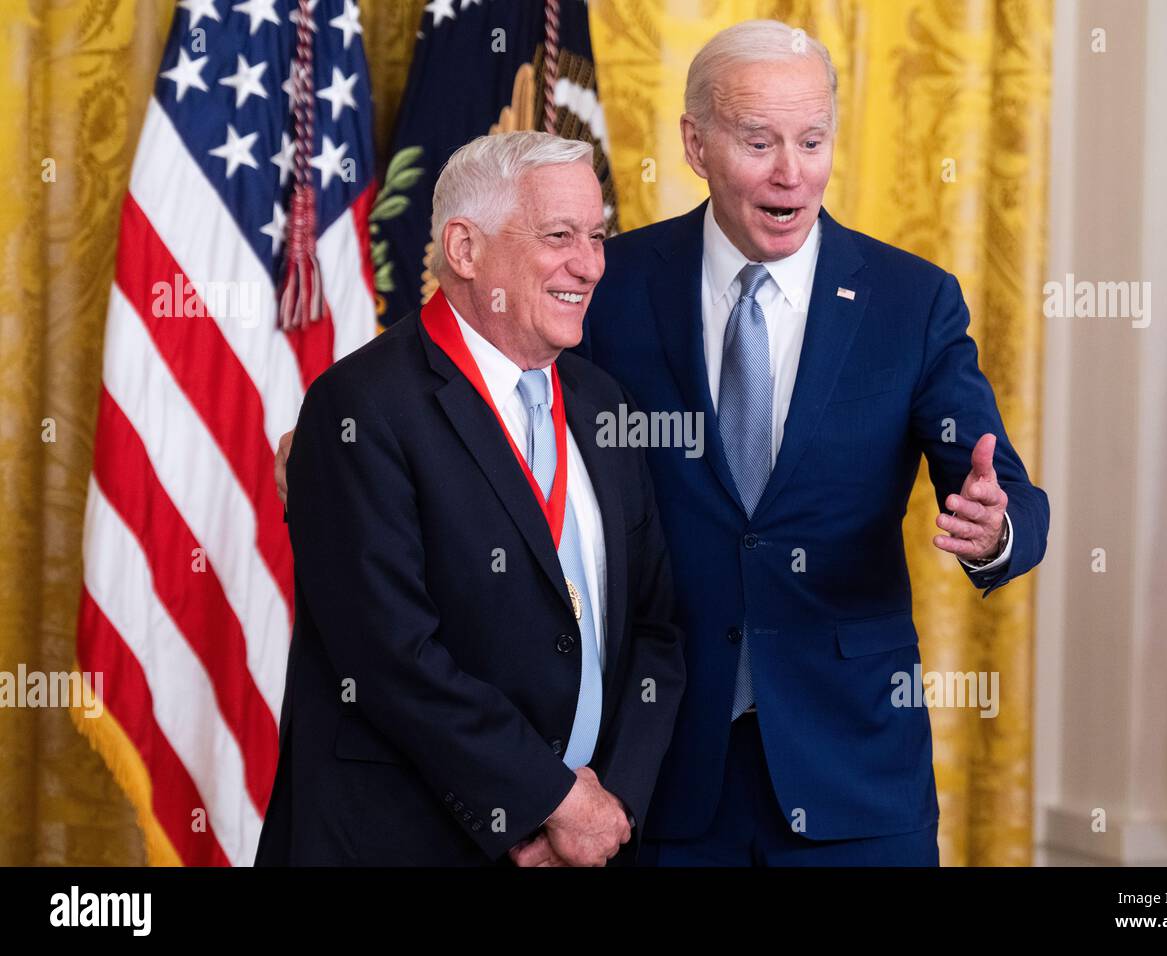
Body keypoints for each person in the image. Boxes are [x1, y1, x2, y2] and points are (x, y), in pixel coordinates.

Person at [275, 20, 1049, 867]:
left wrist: (996, 530)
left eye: (813, 139)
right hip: (663, 781)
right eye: (758, 140)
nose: (792, 169)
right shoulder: (607, 286)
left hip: (852, 775)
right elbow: (477, 420)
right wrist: (337, 455)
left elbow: (995, 484)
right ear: (696, 143)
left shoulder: (913, 300)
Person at [254, 131, 685, 867]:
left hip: (585, 845)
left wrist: (608, 805)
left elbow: (657, 630)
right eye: (559, 236)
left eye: (596, 237)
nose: (588, 265)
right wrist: (548, 801)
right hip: (403, 844)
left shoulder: (602, 401)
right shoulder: (360, 406)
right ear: (464, 250)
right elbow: (392, 656)